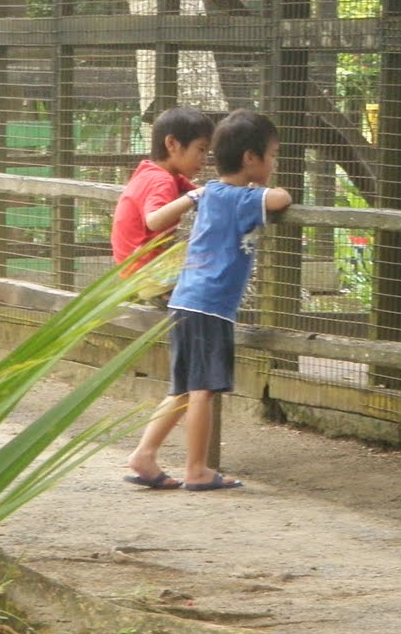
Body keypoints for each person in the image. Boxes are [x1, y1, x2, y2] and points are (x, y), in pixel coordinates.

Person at [124, 109, 292, 492]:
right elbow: (281, 198)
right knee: (203, 389)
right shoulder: (240, 198)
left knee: (183, 387)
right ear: (250, 159)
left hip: (186, 299)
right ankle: (196, 469)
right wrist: (262, 190)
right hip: (210, 304)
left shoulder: (209, 192)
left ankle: (144, 455)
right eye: (271, 154)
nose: (274, 162)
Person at [111, 106, 213, 269]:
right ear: (172, 143)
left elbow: (207, 192)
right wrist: (194, 196)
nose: (205, 159)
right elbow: (154, 221)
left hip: (130, 267)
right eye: (201, 149)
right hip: (143, 271)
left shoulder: (151, 171)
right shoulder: (161, 180)